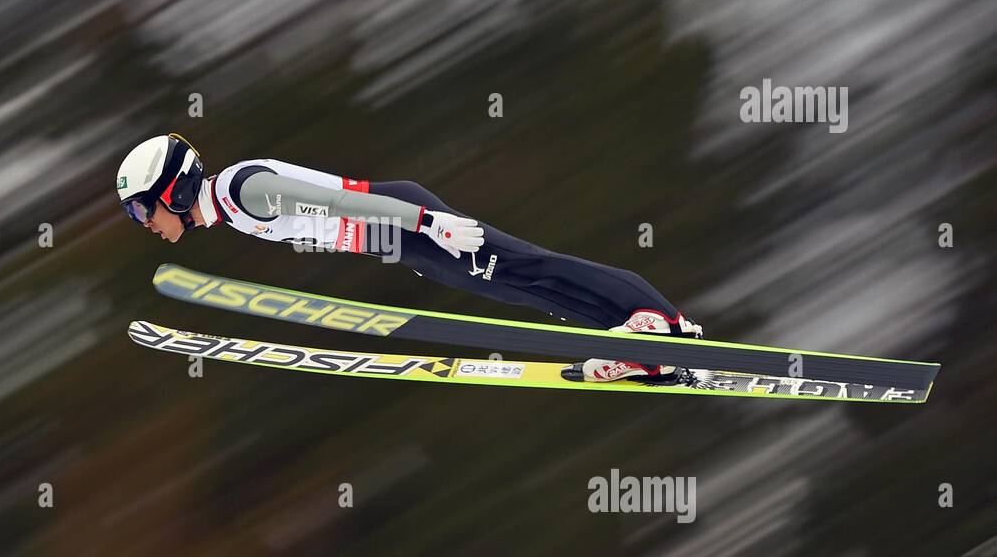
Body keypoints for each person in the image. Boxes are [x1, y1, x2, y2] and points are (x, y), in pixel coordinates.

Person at [115, 133, 703, 382]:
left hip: (406, 223)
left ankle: (658, 322)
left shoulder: (242, 190)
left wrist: (430, 223)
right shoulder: (227, 206)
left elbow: (335, 199)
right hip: (397, 240)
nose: (146, 225)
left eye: (143, 211)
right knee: (522, 288)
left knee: (527, 267)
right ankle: (634, 343)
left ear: (172, 188)